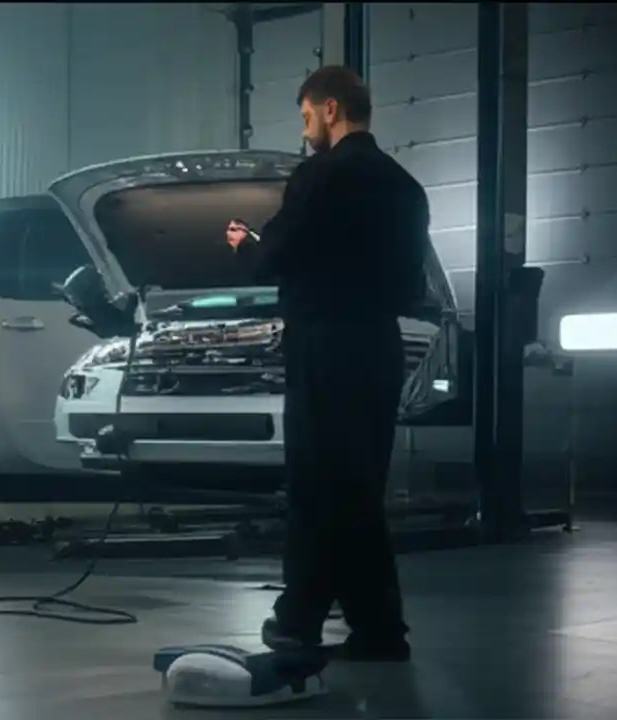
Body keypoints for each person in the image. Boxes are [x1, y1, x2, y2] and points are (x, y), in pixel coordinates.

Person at [226, 65, 430, 662]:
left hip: (325, 345)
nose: (306, 129)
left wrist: (245, 246)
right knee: (360, 488)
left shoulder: (320, 176)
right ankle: (379, 630)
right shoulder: (405, 186)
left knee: (316, 487)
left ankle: (299, 622)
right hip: (379, 346)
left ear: (331, 109)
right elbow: (411, 283)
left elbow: (275, 257)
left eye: (306, 116)